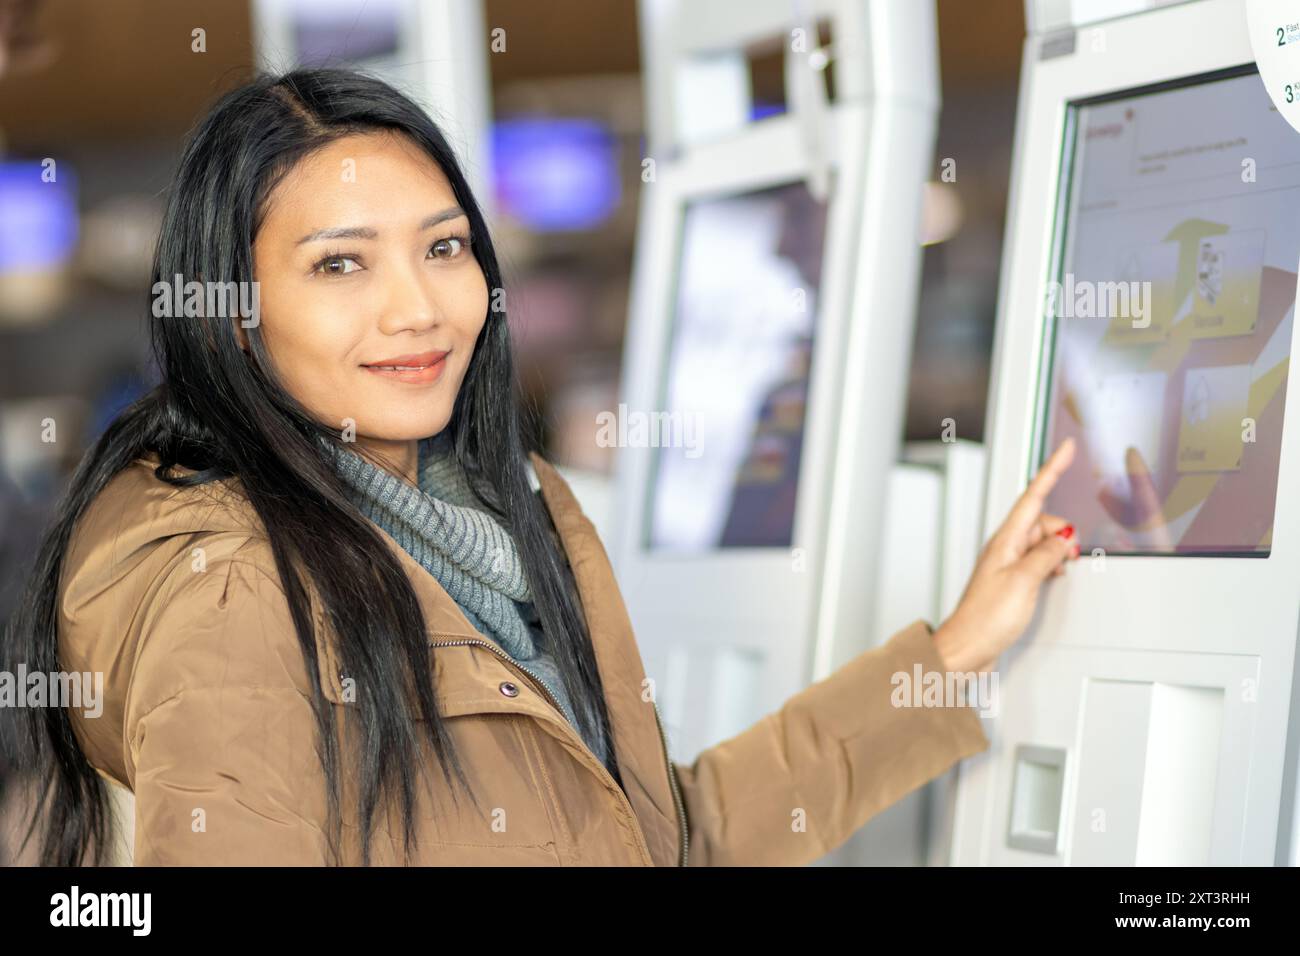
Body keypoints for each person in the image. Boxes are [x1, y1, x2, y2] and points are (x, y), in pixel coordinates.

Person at [3, 68, 1080, 867]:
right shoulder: (240, 589)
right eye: (339, 263)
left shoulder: (520, 516)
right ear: (234, 316)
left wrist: (949, 654)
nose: (416, 307)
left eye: (442, 246)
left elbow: (665, 839)